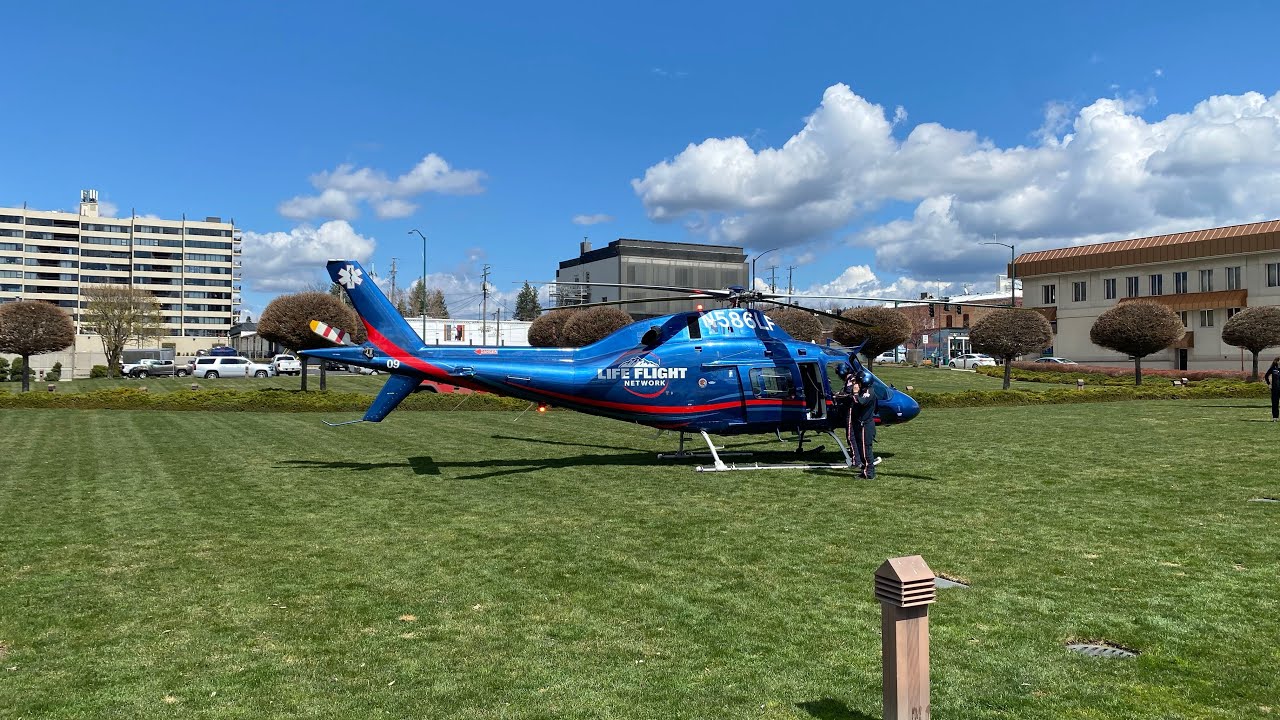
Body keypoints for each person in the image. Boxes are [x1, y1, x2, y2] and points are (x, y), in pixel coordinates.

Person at [847, 372, 878, 478]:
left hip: (866, 425)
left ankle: (869, 473)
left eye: (859, 382)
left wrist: (855, 393)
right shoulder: (864, 390)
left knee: (866, 449)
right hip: (861, 424)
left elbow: (860, 402)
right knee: (861, 448)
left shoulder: (868, 392)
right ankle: (864, 470)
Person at [1266, 357, 1280, 422]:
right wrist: (1269, 384)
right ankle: (1275, 417)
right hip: (1275, 389)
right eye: (1278, 361)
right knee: (1275, 404)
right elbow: (1266, 376)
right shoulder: (1273, 368)